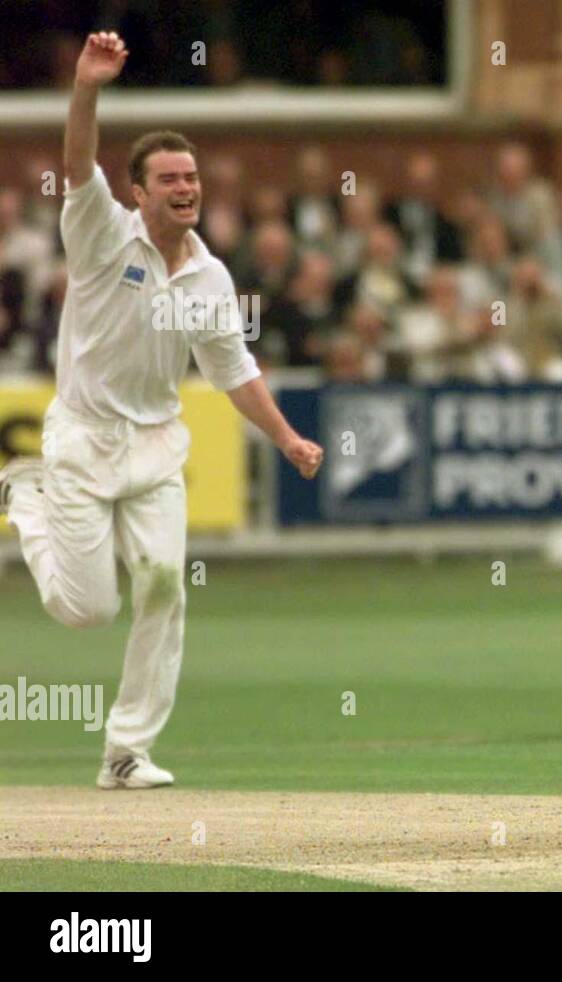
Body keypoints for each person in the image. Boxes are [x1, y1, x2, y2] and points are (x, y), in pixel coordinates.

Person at [0, 32, 324, 789]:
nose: (185, 187)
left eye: (191, 177)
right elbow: (78, 164)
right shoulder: (102, 234)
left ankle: (126, 752)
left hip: (154, 448)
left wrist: (286, 438)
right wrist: (87, 89)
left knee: (164, 587)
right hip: (81, 441)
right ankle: (25, 494)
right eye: (168, 178)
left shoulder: (212, 278)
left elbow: (233, 370)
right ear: (138, 192)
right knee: (86, 610)